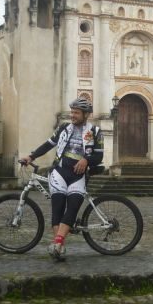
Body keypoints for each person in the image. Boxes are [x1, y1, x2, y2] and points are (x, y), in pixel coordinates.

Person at [20, 98, 104, 262]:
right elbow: (48, 144)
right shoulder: (64, 128)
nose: (72, 115)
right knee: (57, 206)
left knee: (73, 206)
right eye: (72, 112)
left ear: (86, 114)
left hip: (79, 176)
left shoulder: (95, 131)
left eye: (76, 113)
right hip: (60, 171)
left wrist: (86, 160)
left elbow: (99, 155)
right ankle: (59, 244)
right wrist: (31, 156)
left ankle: (57, 243)